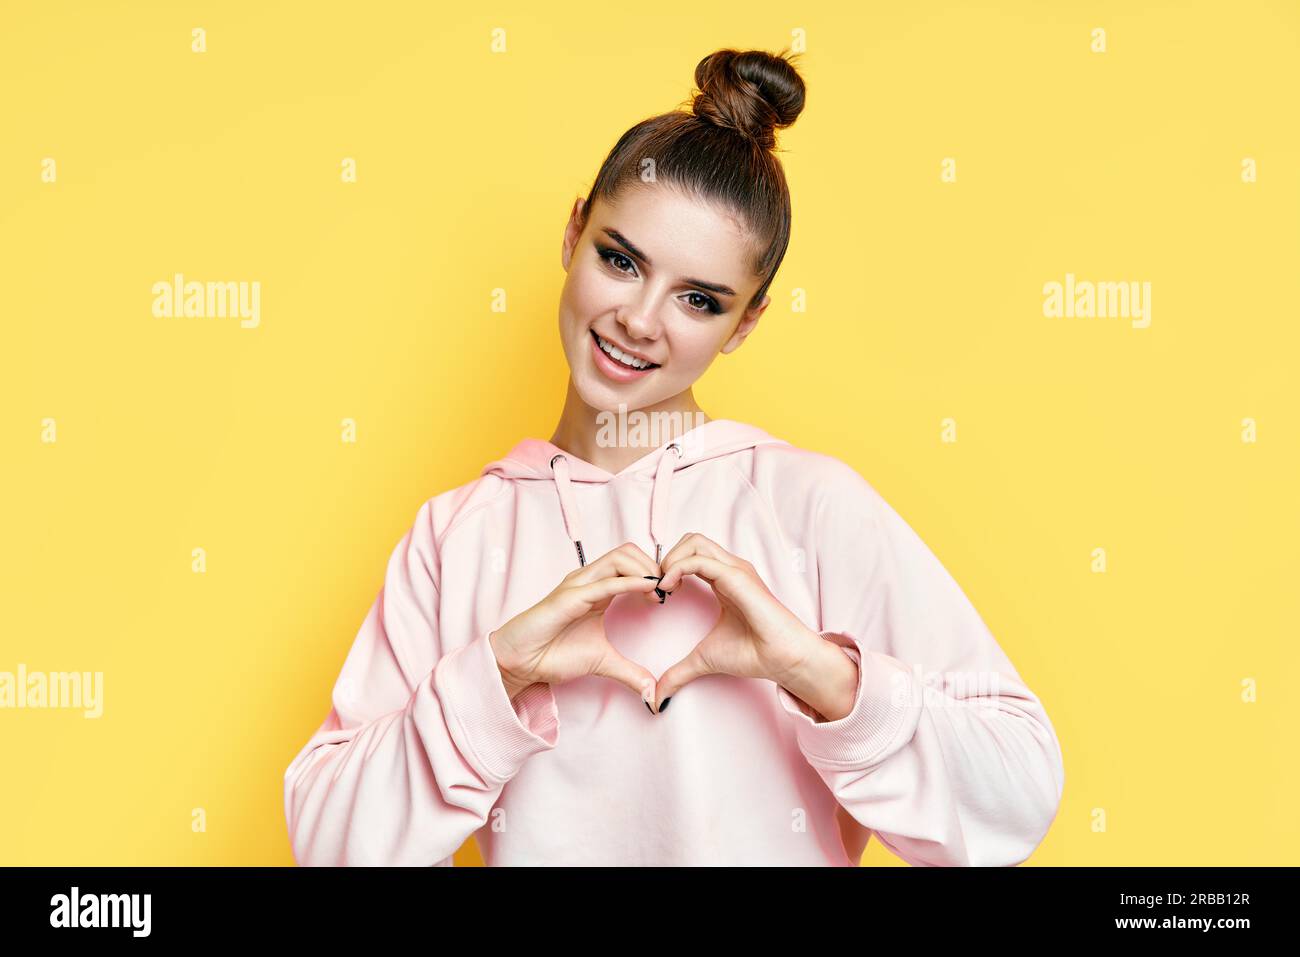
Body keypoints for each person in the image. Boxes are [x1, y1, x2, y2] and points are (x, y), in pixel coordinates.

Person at [283, 47, 1065, 867]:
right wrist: (496, 677)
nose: (640, 320)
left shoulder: (809, 504)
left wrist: (819, 672)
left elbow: (1017, 793)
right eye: (620, 260)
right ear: (573, 231)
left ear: (747, 323)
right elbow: (332, 845)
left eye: (700, 299)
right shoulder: (454, 536)